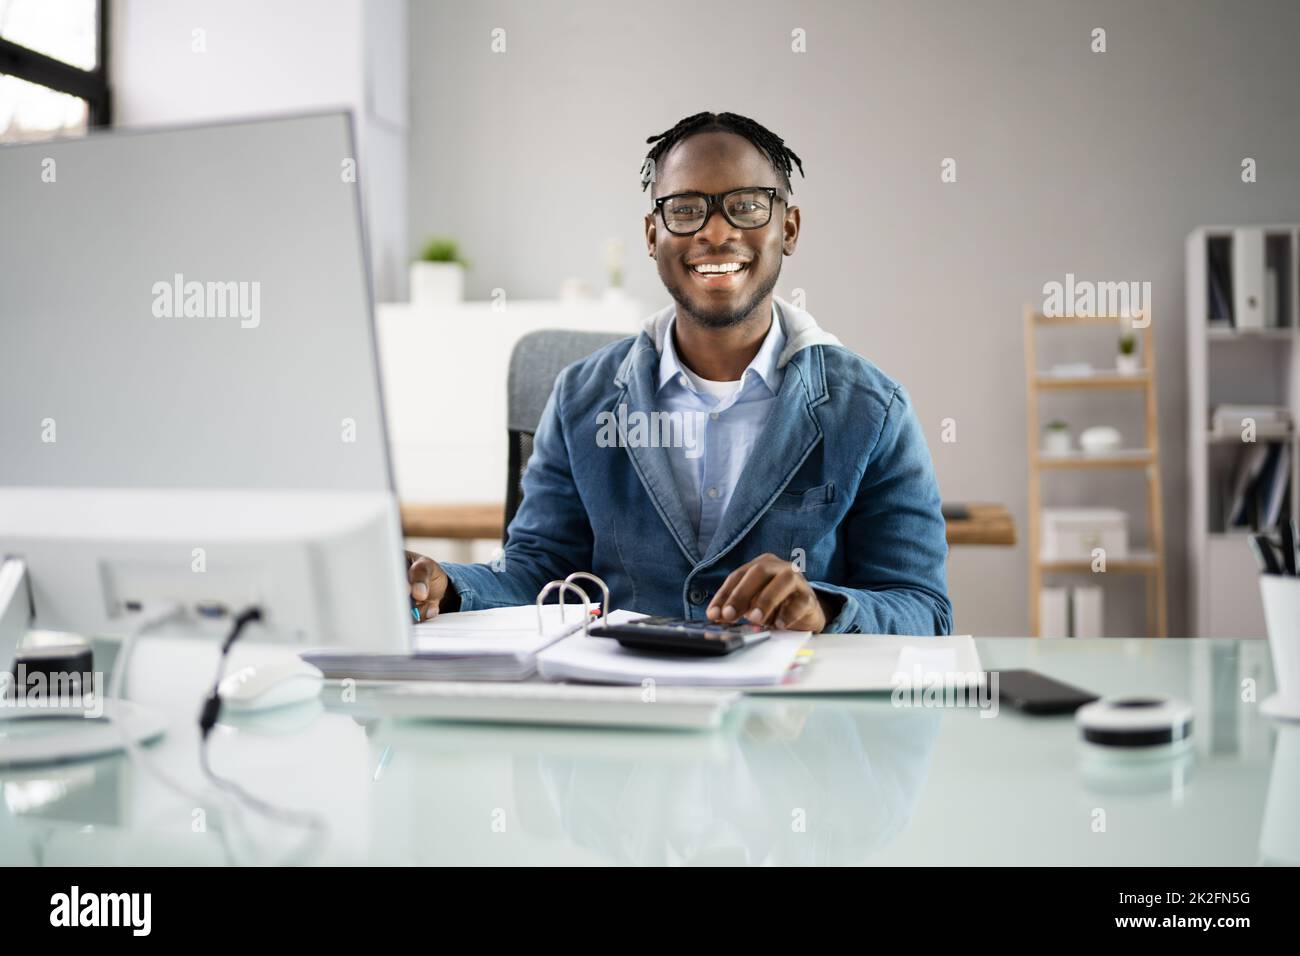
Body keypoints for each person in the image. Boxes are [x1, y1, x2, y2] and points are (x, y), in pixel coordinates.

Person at [407, 111, 951, 635]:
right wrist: (448, 587)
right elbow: (537, 573)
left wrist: (826, 609)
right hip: (627, 710)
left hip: (791, 720)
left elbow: (923, 608)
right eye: (686, 209)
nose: (716, 233)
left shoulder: (872, 410)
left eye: (746, 205)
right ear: (652, 236)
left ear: (789, 227)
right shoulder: (581, 397)